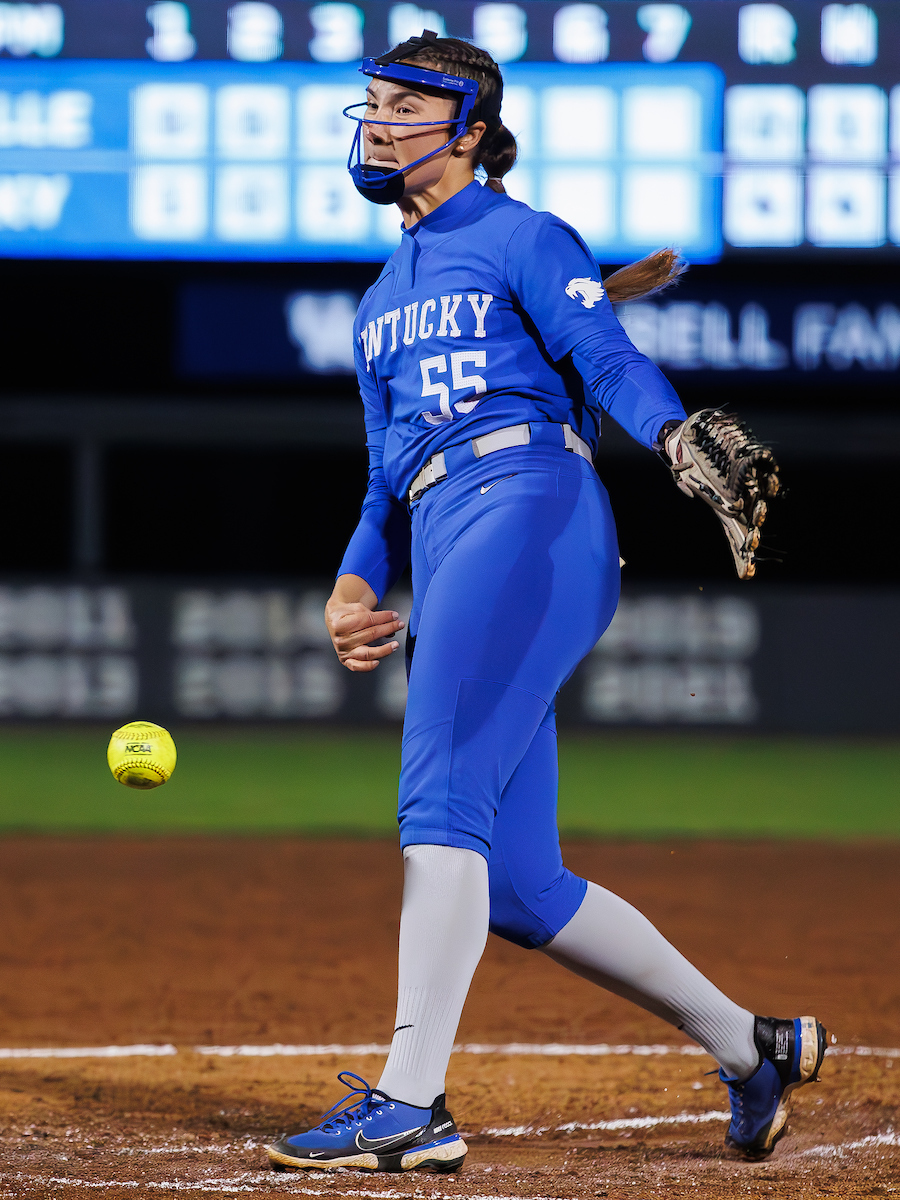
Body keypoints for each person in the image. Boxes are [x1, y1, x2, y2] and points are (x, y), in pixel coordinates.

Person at [266, 31, 825, 1176]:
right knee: (518, 884)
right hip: (449, 527)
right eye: (370, 104)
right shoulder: (380, 303)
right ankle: (750, 1046)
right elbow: (385, 476)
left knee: (440, 794)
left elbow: (604, 352)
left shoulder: (524, 235)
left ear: (468, 129)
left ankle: (412, 1104)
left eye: (404, 107)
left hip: (531, 513)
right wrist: (353, 576)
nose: (377, 123)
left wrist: (673, 436)